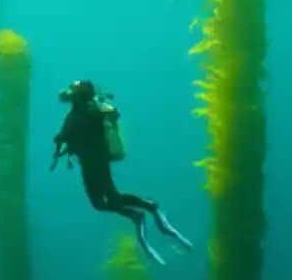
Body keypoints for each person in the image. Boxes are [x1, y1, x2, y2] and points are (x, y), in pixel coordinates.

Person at [52, 79, 192, 265]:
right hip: (89, 162)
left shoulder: (89, 112)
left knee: (111, 197)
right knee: (99, 203)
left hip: (97, 162)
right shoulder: (81, 112)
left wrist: (62, 137)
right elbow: (70, 131)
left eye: (75, 92)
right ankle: (137, 214)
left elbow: (71, 131)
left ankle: (148, 207)